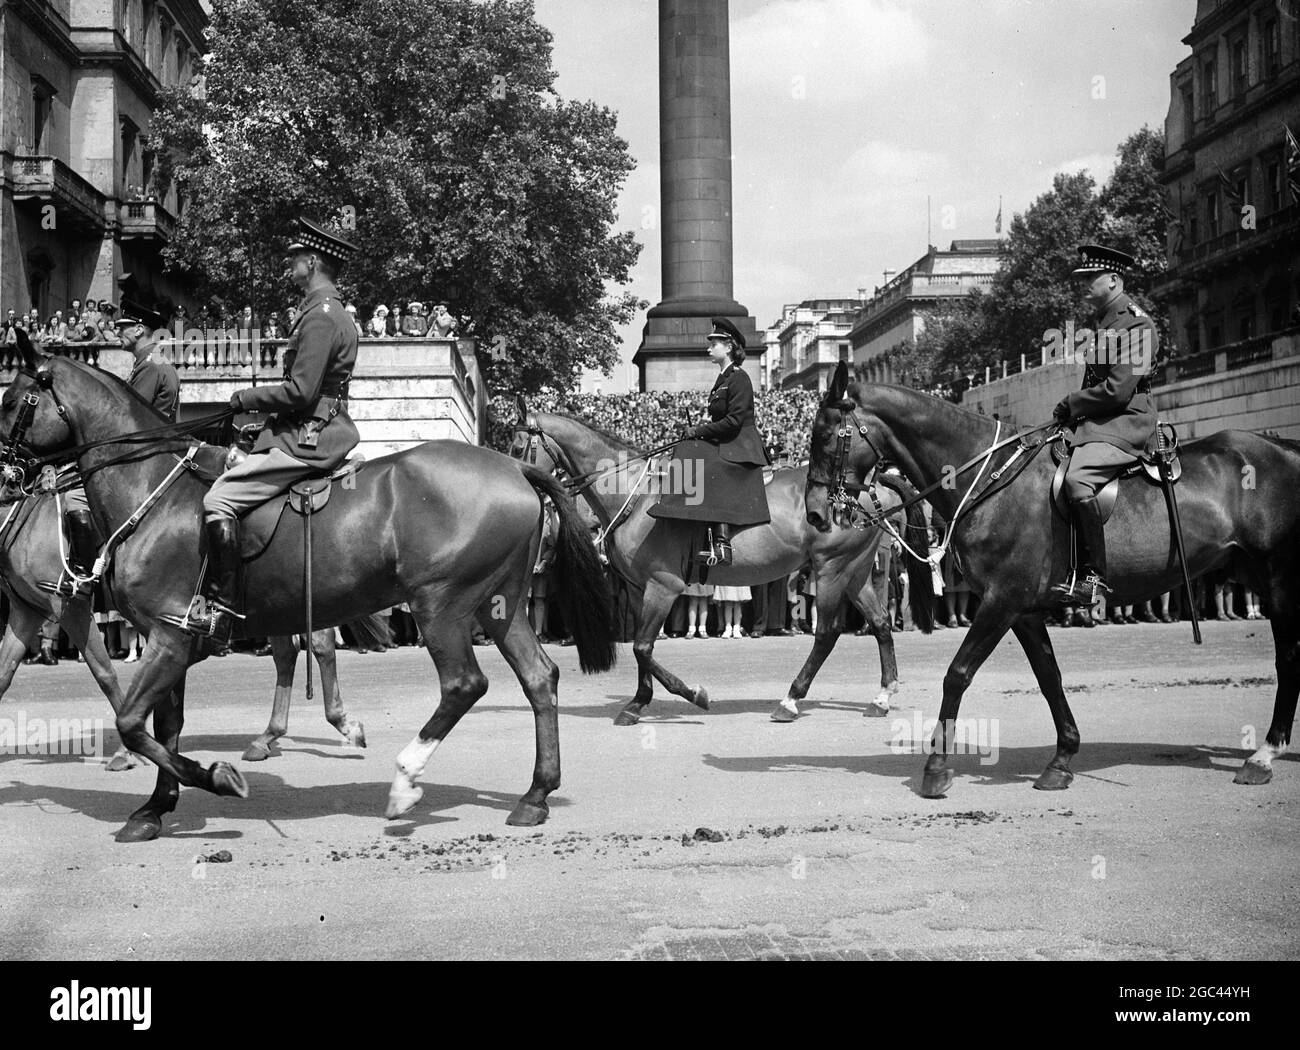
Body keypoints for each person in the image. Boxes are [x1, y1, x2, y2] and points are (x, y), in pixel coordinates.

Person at [162, 219, 360, 643]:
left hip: (306, 438)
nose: (289, 264)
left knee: (217, 498)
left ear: (313, 261)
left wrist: (247, 397)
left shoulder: (322, 318)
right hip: (304, 429)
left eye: (294, 258)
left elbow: (302, 390)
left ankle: (223, 609)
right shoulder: (324, 312)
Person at [41, 310, 180, 599]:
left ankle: (82, 574)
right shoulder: (152, 362)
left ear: (140, 330)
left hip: (145, 455)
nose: (117, 330)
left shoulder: (151, 365)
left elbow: (126, 418)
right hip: (153, 450)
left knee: (74, 495)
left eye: (123, 326)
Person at [1052, 244, 1159, 604]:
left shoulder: (1137, 324)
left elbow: (1117, 391)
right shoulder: (1105, 324)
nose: (1082, 284)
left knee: (1078, 479)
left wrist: (1072, 404)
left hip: (1127, 423)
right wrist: (1071, 420)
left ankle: (1093, 576)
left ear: (1113, 280)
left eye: (1089, 278)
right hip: (1100, 422)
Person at [647, 317, 770, 566]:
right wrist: (697, 432)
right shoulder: (723, 379)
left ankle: (722, 542)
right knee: (687, 451)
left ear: (728, 346)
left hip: (740, 445)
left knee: (709, 468)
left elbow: (734, 421)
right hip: (728, 442)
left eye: (714, 343)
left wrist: (700, 431)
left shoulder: (739, 378)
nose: (708, 348)